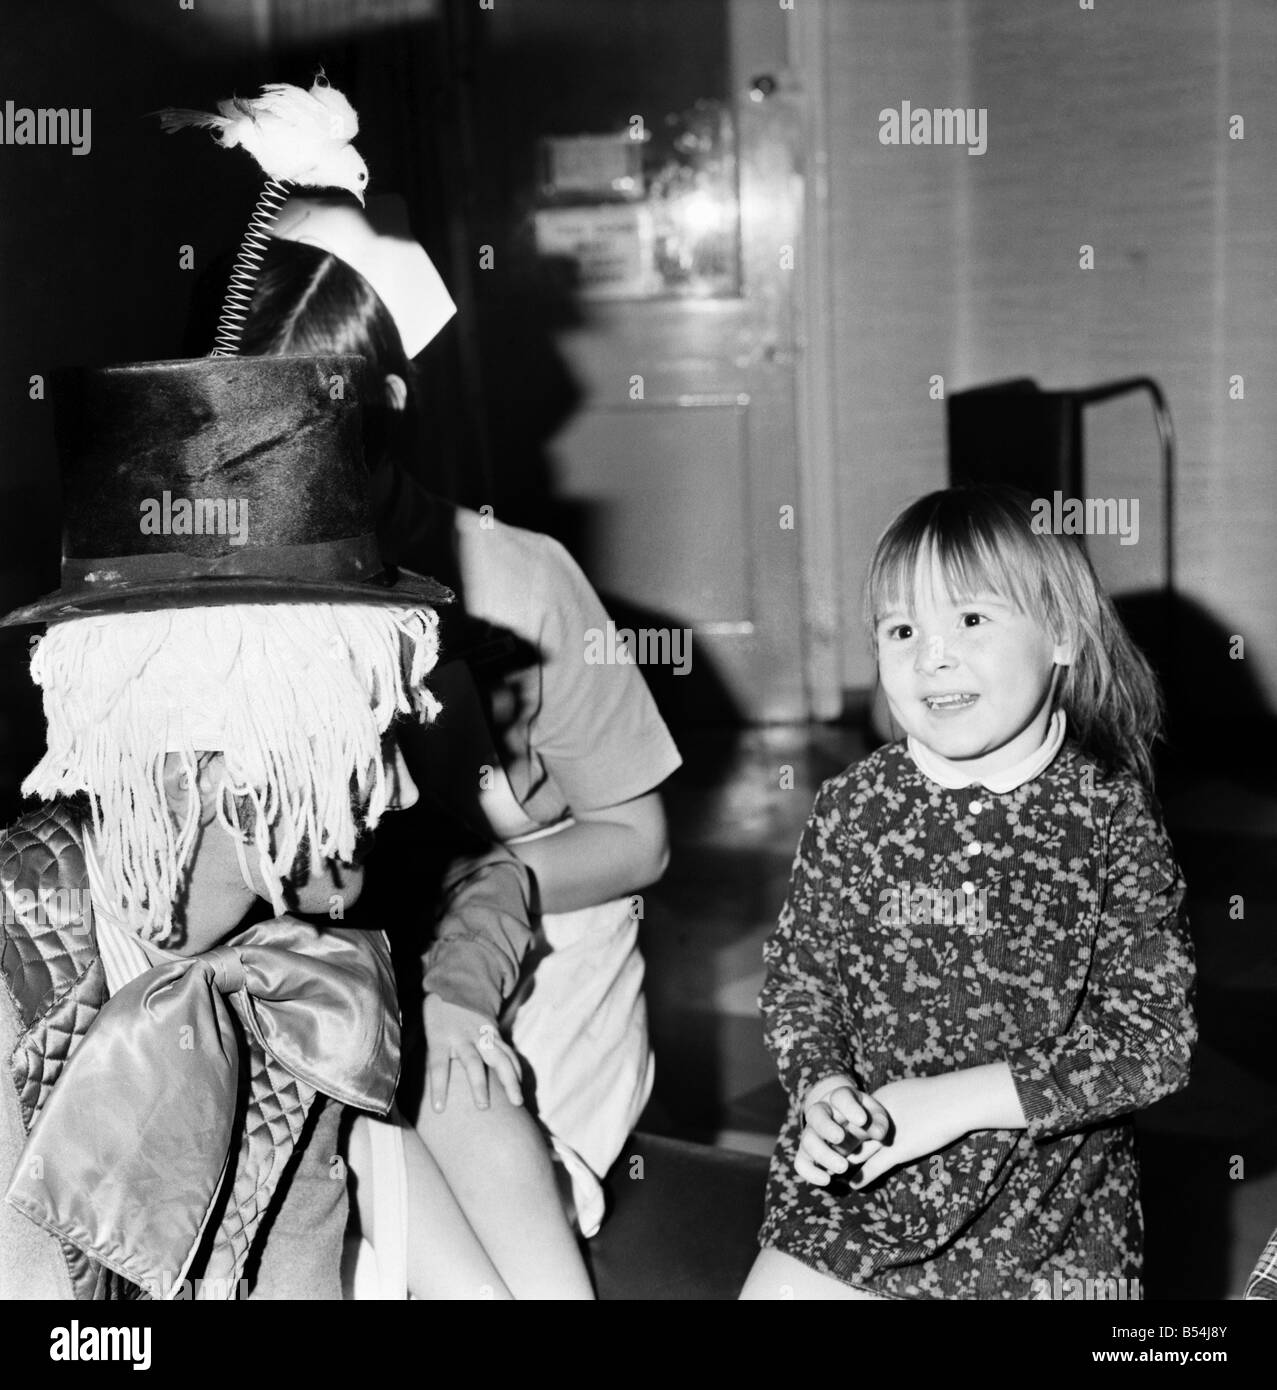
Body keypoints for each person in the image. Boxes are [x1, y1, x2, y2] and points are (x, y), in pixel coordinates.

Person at [223, 196, 682, 1245]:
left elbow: (638, 837)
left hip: (540, 942)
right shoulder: (226, 594)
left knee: (502, 1206)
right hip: (348, 948)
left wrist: (472, 930)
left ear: (387, 407)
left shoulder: (523, 579)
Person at [0, 352, 453, 1299]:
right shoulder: (12, 976)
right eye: (365, 745)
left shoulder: (302, 980)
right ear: (228, 777)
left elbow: (295, 1267)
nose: (403, 792)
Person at [740, 485, 1197, 1300]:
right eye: (901, 630)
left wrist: (952, 1104)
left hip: (1048, 1220)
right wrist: (823, 1089)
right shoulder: (852, 806)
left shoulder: (1106, 815)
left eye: (971, 620)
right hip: (860, 1201)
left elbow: (1154, 1042)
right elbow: (799, 984)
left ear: (1061, 634)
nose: (931, 657)